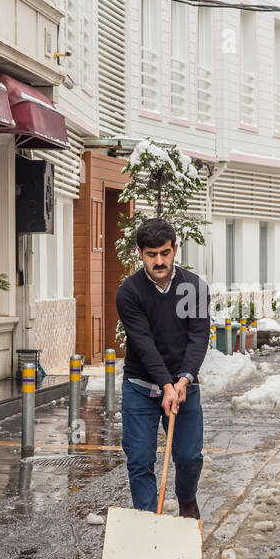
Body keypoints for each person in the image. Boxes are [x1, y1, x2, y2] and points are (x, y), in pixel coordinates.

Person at [116, 218, 209, 519]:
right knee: (140, 459)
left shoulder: (193, 288)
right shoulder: (130, 292)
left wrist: (182, 380)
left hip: (184, 386)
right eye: (151, 254)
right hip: (141, 387)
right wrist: (165, 385)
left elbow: (198, 337)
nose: (159, 261)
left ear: (175, 249)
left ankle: (186, 501)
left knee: (188, 457)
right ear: (140, 253)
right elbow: (143, 343)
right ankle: (146, 520)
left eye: (165, 253)